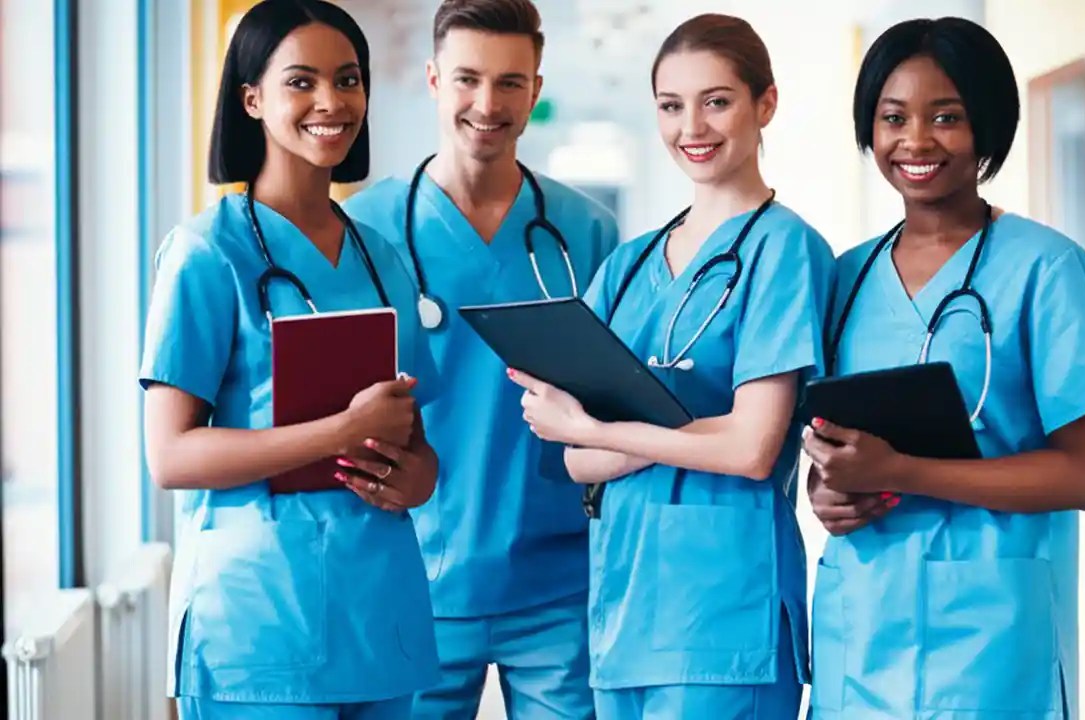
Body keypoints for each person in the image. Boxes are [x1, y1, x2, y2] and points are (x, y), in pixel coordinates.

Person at [805, 17, 1085, 719]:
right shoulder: (845, 278)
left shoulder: (1047, 268)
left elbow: (1082, 473)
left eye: (945, 117)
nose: (916, 141)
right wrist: (824, 489)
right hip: (860, 627)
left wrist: (901, 472)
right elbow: (834, 440)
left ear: (989, 125)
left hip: (988, 643)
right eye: (893, 118)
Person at [507, 14, 832, 720]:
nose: (693, 126)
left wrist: (605, 430)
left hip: (727, 616)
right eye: (671, 105)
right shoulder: (626, 269)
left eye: (716, 101)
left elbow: (751, 449)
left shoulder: (783, 250)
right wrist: (650, 436)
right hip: (624, 613)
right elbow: (569, 459)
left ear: (764, 104)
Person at [139, 1, 441, 717]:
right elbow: (171, 456)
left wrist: (413, 481)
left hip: (377, 616)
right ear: (252, 100)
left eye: (348, 80)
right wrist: (339, 433)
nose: (331, 103)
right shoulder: (208, 253)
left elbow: (419, 451)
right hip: (257, 623)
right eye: (301, 82)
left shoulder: (382, 260)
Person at [342, 1, 618, 717]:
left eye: (510, 83)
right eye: (467, 79)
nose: (487, 104)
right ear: (434, 81)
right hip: (416, 579)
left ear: (535, 88)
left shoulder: (586, 231)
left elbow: (616, 405)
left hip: (557, 583)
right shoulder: (367, 229)